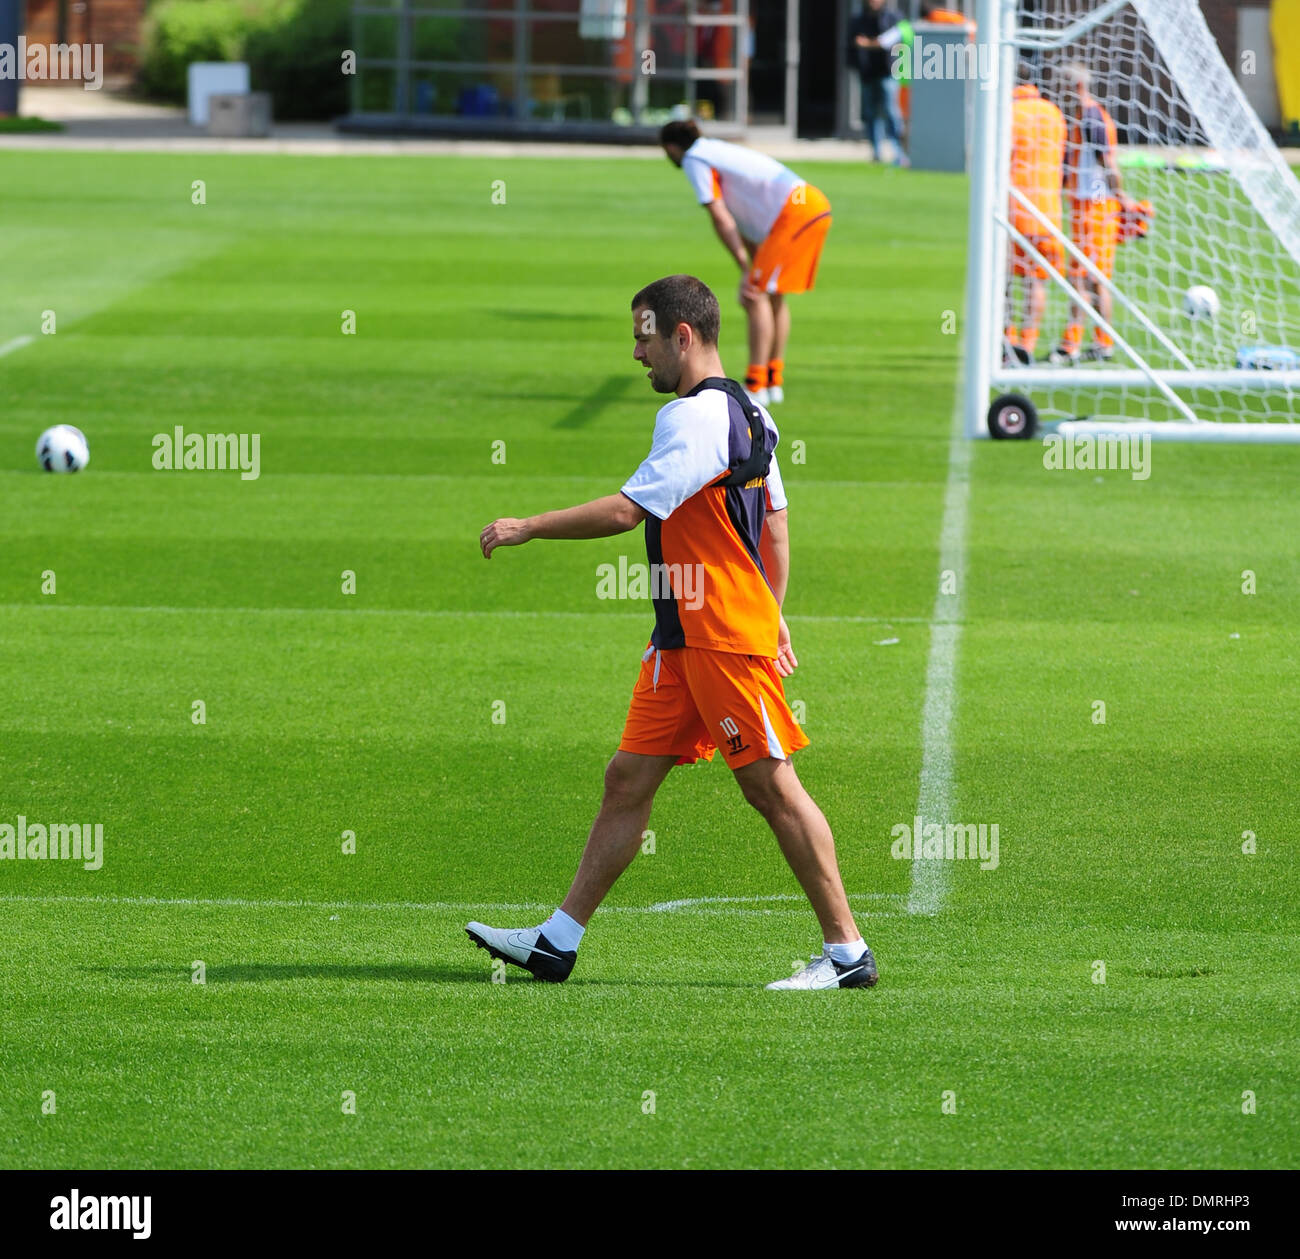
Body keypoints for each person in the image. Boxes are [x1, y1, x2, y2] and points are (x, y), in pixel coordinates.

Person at [467, 274, 877, 993]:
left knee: (773, 788)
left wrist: (526, 525)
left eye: (642, 335)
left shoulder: (690, 419)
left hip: (716, 632)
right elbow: (775, 524)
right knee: (627, 779)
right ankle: (557, 943)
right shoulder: (755, 413)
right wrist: (772, 608)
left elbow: (628, 512)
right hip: (681, 638)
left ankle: (848, 954)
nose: (636, 353)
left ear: (681, 335)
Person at [658, 119, 832, 406]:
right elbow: (744, 221)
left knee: (754, 295)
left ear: (672, 148)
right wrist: (750, 261)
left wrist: (743, 266)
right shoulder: (715, 150)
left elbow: (720, 217)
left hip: (794, 215)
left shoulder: (695, 158)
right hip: (810, 206)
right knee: (773, 295)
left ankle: (756, 385)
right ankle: (773, 379)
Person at [1049, 63, 1137, 365]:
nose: (1058, 92)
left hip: (1096, 206)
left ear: (1075, 87)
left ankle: (1071, 345)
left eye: (1061, 85)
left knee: (1083, 278)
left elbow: (1107, 161)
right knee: (1091, 279)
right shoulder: (1079, 117)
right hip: (1085, 205)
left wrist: (1121, 197)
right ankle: (1101, 343)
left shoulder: (1090, 117)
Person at [1004, 78, 1066, 364]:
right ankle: (1028, 343)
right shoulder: (1054, 113)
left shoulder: (1009, 114)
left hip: (1014, 208)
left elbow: (1001, 159)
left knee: (1004, 280)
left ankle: (1008, 339)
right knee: (1035, 281)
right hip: (1049, 210)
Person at [849, 0, 907, 165]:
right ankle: (876, 152)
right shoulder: (859, 19)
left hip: (887, 72)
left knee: (891, 111)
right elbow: (852, 45)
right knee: (870, 113)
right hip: (867, 72)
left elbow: (887, 42)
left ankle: (899, 153)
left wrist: (868, 44)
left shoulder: (893, 18)